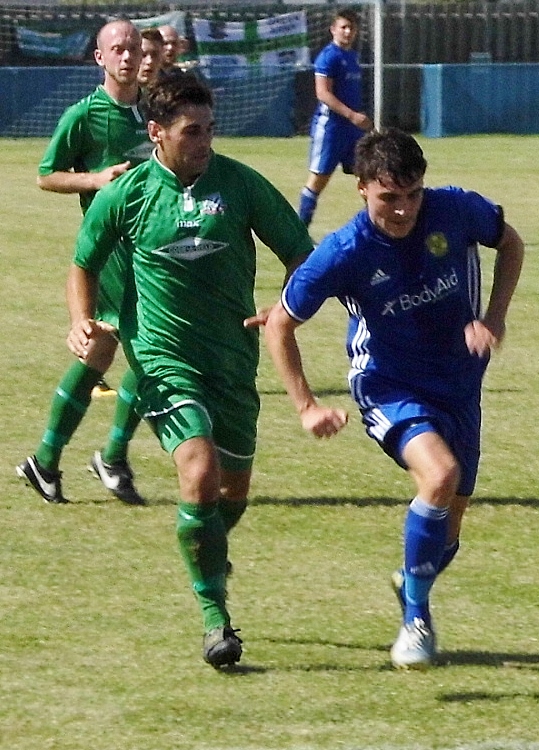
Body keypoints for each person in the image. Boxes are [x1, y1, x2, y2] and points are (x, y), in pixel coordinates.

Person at [67, 73, 312, 668]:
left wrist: (283, 308)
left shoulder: (241, 184)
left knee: (231, 497)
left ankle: (208, 548)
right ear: (157, 132)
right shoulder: (125, 194)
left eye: (209, 129)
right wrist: (81, 319)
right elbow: (84, 261)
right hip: (161, 359)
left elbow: (303, 255)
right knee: (198, 472)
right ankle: (215, 619)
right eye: (191, 131)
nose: (204, 141)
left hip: (232, 361)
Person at [264, 129, 524, 669]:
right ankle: (415, 622)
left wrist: (494, 317)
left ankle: (411, 579)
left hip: (460, 383)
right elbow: (280, 325)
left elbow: (512, 243)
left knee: (447, 535)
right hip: (389, 384)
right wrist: (306, 406)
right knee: (439, 475)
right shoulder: (344, 251)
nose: (403, 210)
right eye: (388, 198)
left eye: (412, 194)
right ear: (361, 189)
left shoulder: (456, 210)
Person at [18, 19, 153, 506]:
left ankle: (48, 460)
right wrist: (96, 180)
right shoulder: (84, 115)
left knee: (101, 351)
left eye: (133, 48)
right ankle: (111, 456)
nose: (127, 56)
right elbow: (46, 175)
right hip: (114, 252)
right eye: (117, 49)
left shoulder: (155, 109)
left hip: (152, 248)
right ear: (100, 58)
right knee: (144, 346)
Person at [298, 8, 373, 227]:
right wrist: (352, 115)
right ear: (333, 30)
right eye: (343, 27)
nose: (348, 32)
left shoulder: (352, 56)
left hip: (353, 130)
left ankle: (377, 226)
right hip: (331, 128)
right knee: (317, 182)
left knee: (367, 176)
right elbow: (323, 93)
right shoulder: (328, 57)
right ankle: (298, 235)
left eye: (352, 28)